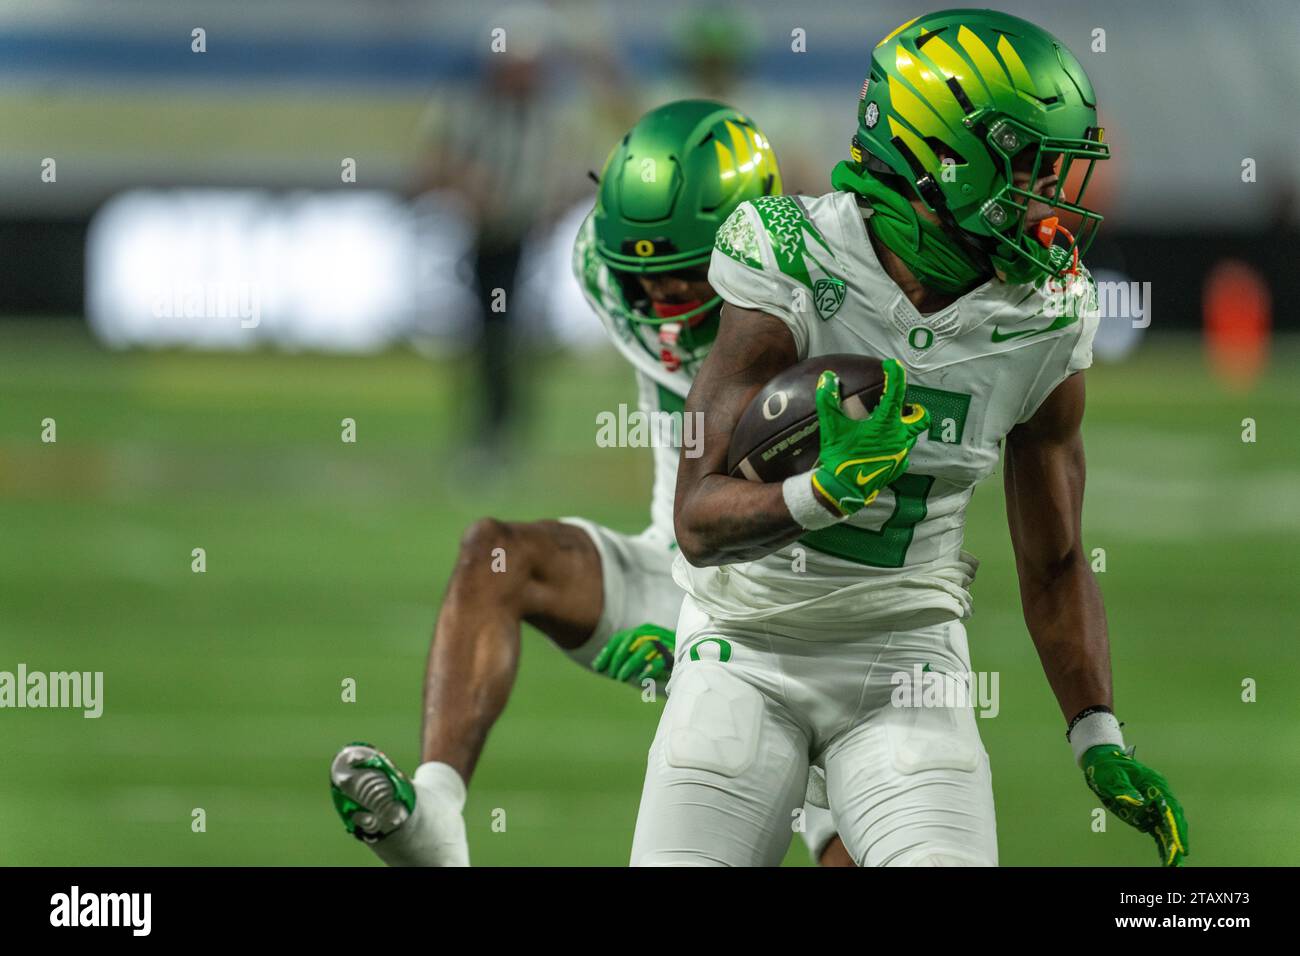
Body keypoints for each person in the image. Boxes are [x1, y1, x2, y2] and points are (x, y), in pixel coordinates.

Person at [629, 10, 1187, 867]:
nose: (1055, 199)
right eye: (1031, 167)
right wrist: (821, 491)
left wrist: (1097, 732)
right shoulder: (789, 253)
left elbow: (1057, 557)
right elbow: (698, 522)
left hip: (907, 662)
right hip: (742, 647)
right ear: (941, 159)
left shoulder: (1046, 317)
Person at [329, 100, 846, 865]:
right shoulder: (604, 270)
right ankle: (434, 811)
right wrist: (688, 622)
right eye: (646, 277)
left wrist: (709, 637)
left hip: (816, 615)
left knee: (847, 839)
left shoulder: (832, 301)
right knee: (496, 555)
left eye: (681, 274)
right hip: (681, 569)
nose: (663, 304)